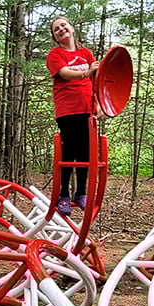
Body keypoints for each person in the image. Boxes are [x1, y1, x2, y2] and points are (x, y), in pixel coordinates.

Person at [46, 16, 99, 216]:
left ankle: (81, 193)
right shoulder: (55, 54)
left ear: (72, 28)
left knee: (85, 153)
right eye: (56, 29)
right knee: (69, 153)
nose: (61, 29)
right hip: (67, 111)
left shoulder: (86, 53)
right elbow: (66, 73)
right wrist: (86, 72)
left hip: (88, 110)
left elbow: (97, 80)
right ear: (55, 37)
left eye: (63, 25)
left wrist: (100, 104)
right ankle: (63, 194)